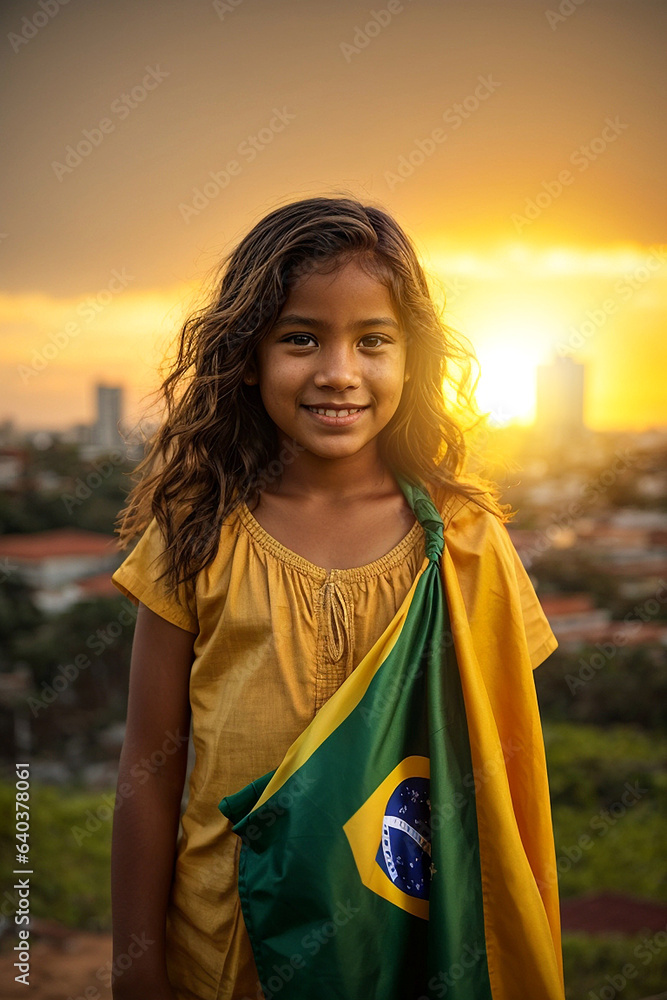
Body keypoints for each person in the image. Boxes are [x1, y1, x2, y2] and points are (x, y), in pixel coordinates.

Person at [110, 195, 564, 1000]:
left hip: (407, 942)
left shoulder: (464, 542)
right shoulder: (195, 532)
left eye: (372, 341)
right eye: (300, 339)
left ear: (412, 360)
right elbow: (149, 767)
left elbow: (507, 774)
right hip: (227, 949)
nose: (337, 372)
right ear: (248, 357)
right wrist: (137, 966)